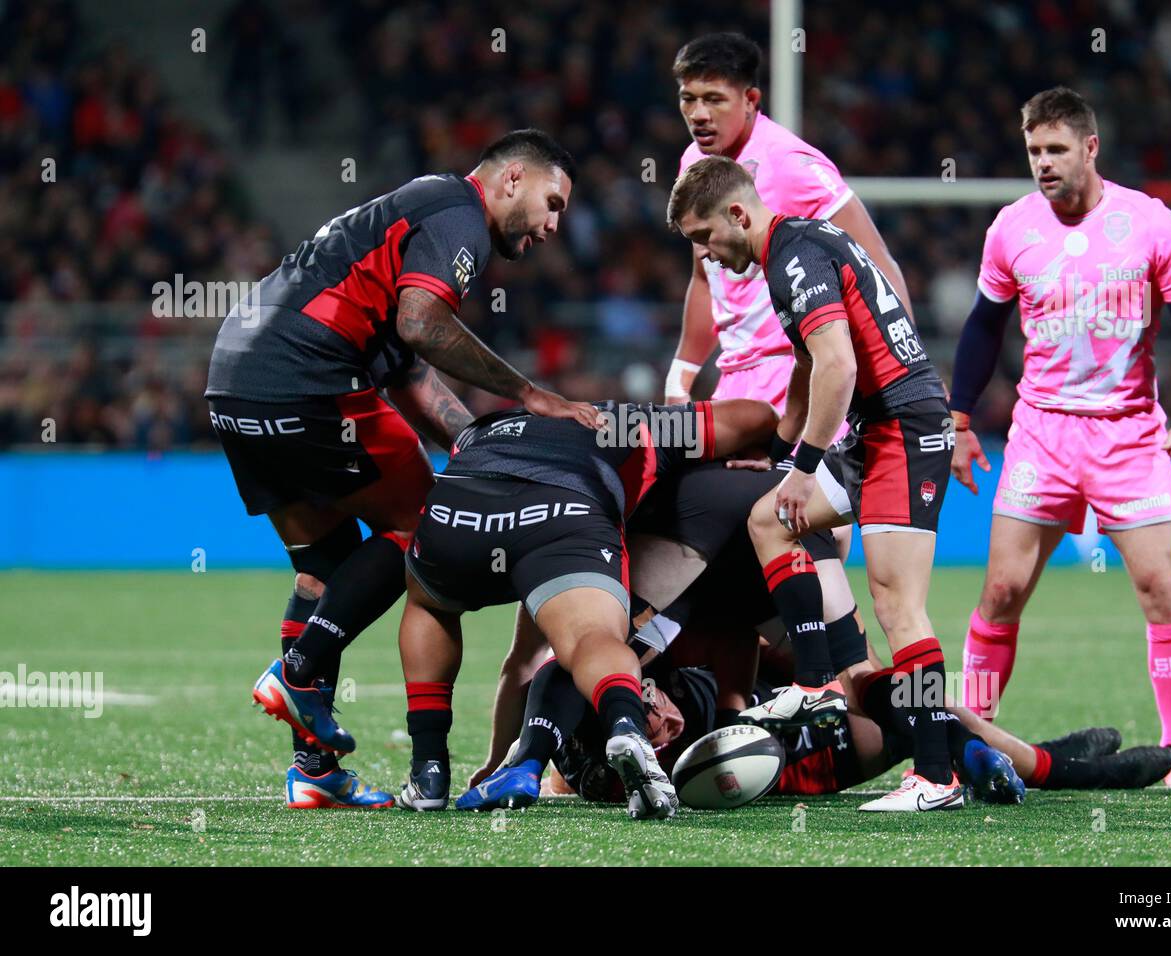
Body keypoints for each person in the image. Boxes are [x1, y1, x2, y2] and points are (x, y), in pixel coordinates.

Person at [207, 129, 599, 808]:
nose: (553, 226)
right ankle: (299, 672)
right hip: (307, 374)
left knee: (324, 568)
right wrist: (532, 396)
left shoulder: (413, 214)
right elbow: (423, 323)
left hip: (237, 380)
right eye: (552, 203)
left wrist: (477, 437)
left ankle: (315, 770)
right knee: (426, 530)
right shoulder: (459, 217)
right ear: (511, 180)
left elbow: (408, 367)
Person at [667, 155, 982, 812]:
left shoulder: (795, 258)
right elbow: (810, 370)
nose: (705, 255)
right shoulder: (801, 246)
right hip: (879, 431)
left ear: (737, 213)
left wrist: (804, 467)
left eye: (703, 237)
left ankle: (934, 777)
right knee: (768, 519)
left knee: (899, 608)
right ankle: (815, 683)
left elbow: (837, 367)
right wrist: (783, 457)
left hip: (902, 432)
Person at [947, 88, 1171, 787]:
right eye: (1034, 150)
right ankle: (969, 741)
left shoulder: (1150, 223)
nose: (1043, 163)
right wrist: (957, 420)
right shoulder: (1013, 228)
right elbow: (985, 327)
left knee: (1160, 584)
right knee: (1003, 589)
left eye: (1056, 149)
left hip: (1130, 434)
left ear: (1090, 147)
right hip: (1041, 433)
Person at [395, 397, 778, 820]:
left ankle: (429, 771)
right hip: (568, 515)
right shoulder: (622, 423)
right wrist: (763, 448)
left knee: (429, 605)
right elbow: (757, 416)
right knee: (594, 638)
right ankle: (625, 727)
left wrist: (494, 761)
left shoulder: (480, 434)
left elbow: (522, 663)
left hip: (460, 513)